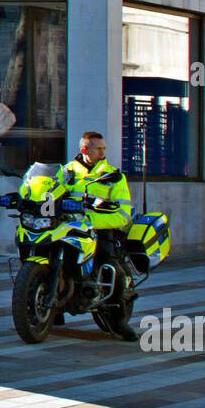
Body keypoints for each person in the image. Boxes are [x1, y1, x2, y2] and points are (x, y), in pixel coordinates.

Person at [63, 131, 137, 340]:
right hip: (68, 227)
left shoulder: (114, 176)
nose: (103, 152)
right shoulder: (66, 171)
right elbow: (50, 193)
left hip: (101, 230)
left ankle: (118, 319)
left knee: (111, 266)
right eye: (99, 148)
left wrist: (92, 222)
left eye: (104, 148)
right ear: (85, 150)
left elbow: (122, 215)